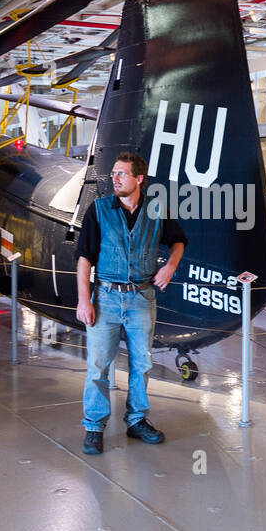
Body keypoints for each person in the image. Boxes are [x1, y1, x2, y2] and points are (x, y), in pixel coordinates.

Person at [75, 152, 187, 456]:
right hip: (106, 297)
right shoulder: (98, 210)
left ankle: (137, 421)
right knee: (98, 365)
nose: (115, 179)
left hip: (141, 297)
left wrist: (170, 266)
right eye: (113, 173)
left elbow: (179, 240)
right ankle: (94, 426)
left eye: (122, 174)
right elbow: (84, 259)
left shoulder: (156, 209)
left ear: (139, 179)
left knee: (142, 363)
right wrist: (84, 300)